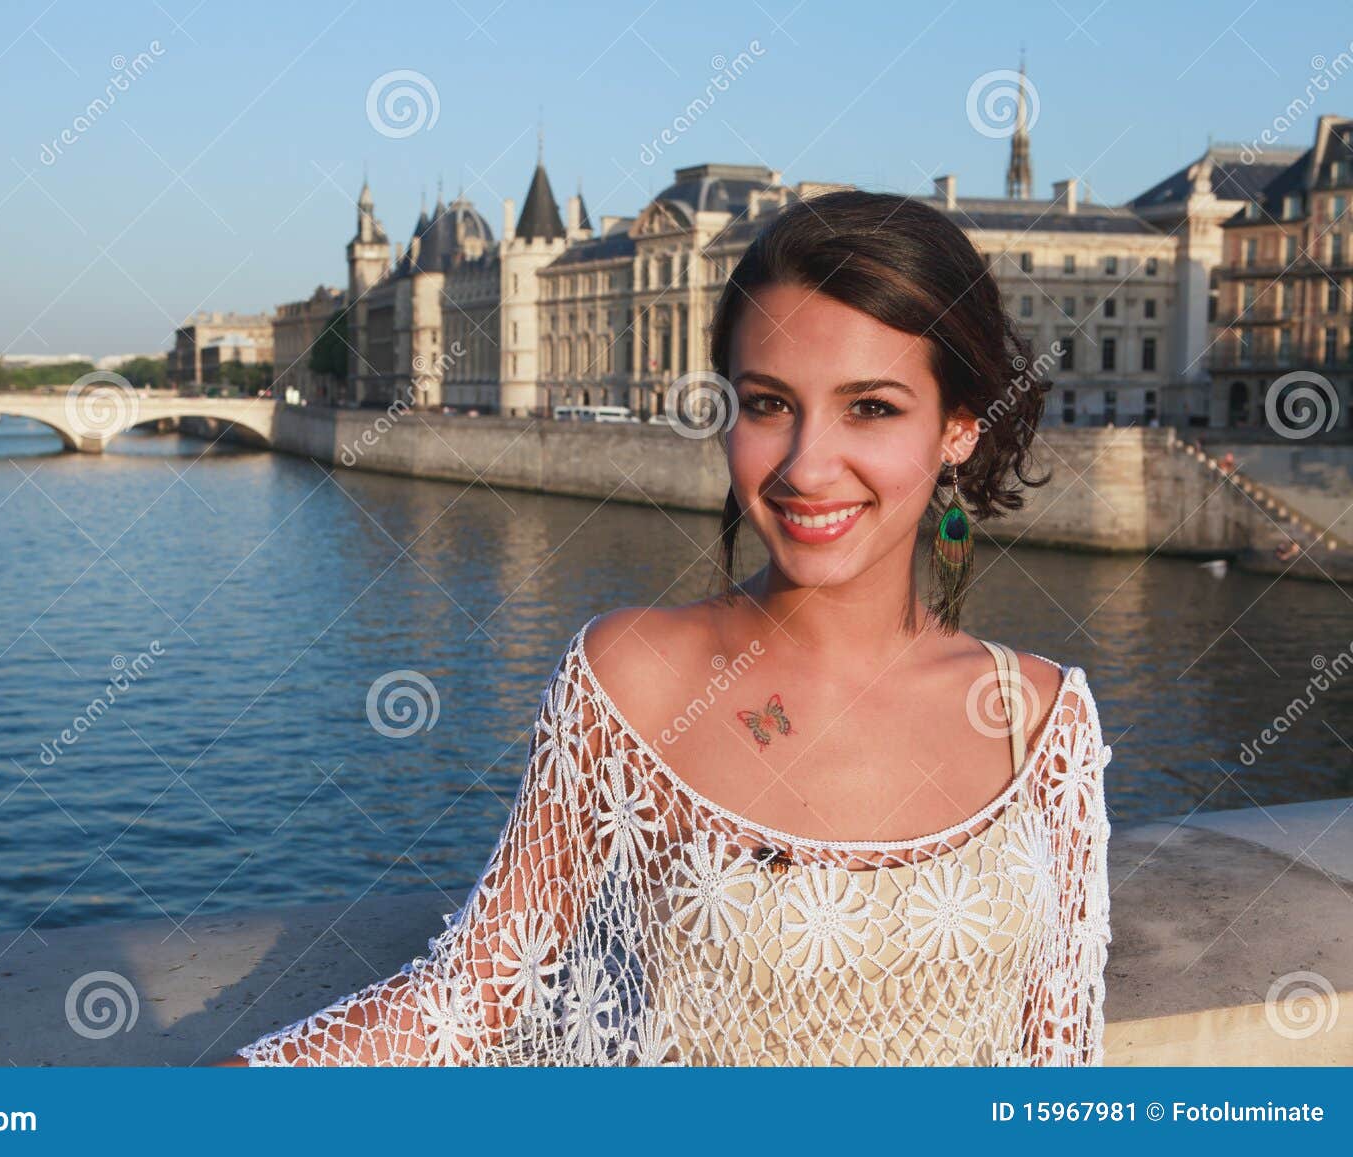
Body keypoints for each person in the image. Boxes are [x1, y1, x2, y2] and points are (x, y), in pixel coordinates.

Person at [218, 190, 1114, 1067]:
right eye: (768, 404)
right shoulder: (631, 676)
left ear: (958, 428)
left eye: (871, 407)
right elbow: (470, 998)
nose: (807, 466)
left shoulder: (1040, 721)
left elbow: (1060, 1064)